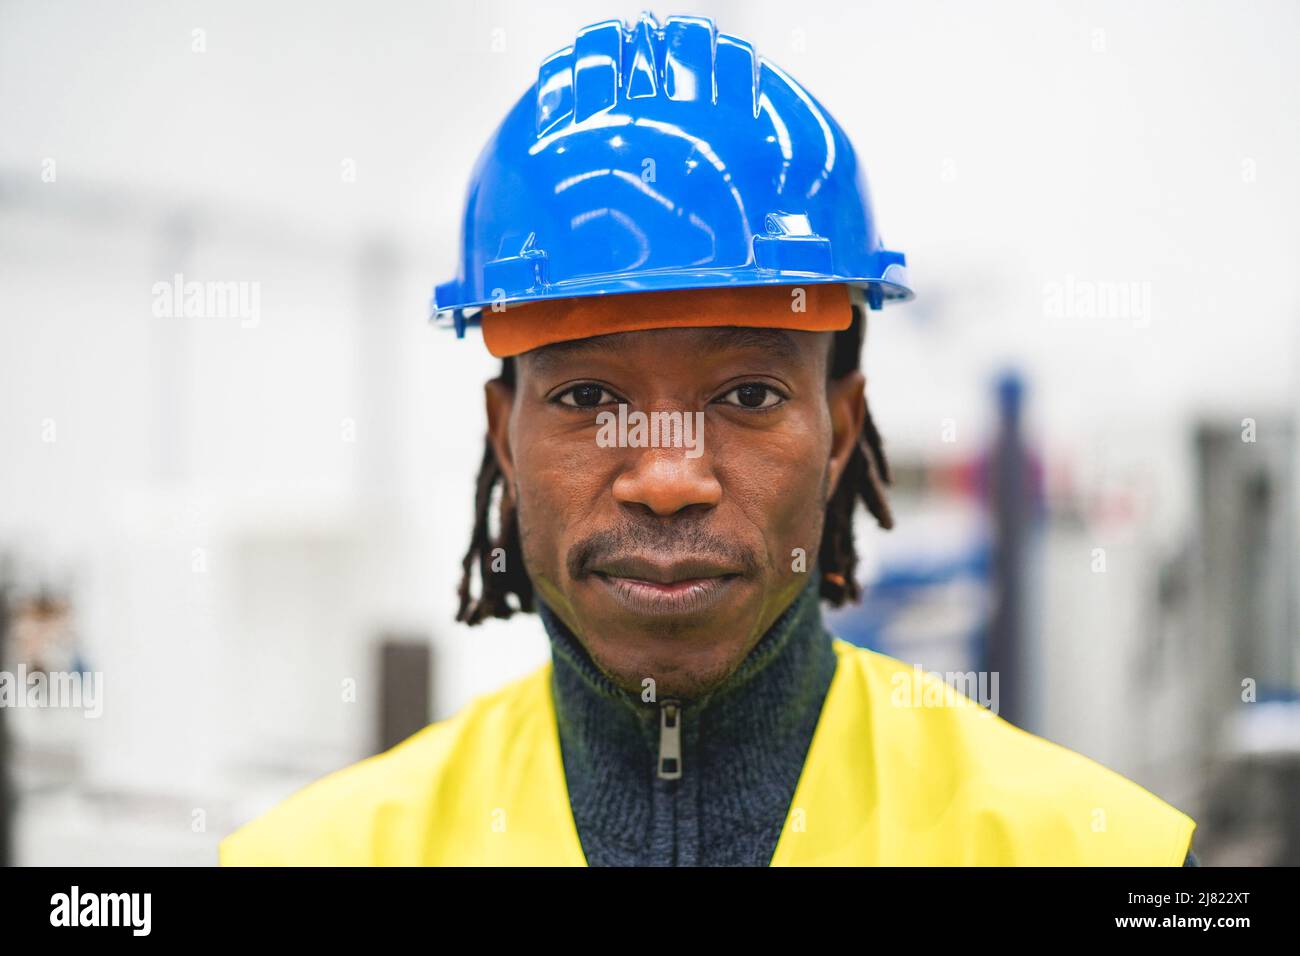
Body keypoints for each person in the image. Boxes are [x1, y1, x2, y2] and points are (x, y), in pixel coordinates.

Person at [219, 13, 1197, 866]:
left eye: (746, 393)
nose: (667, 477)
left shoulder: (1090, 851)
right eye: (591, 395)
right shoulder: (317, 857)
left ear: (839, 432)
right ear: (503, 440)